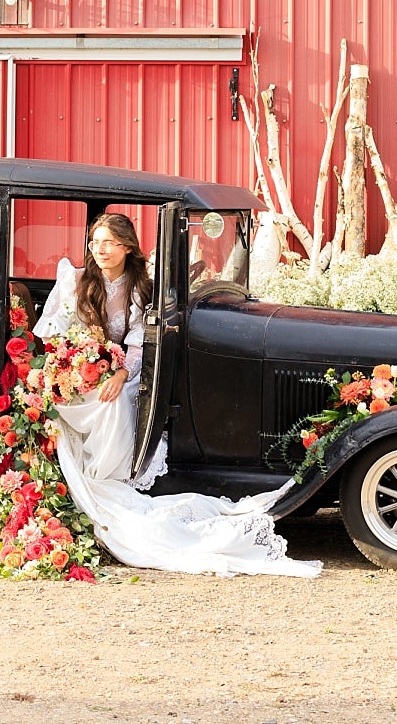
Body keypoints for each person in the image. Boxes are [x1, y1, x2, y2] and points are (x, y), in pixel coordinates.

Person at [35, 213, 321, 578]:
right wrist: (72, 363)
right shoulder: (75, 280)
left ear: (126, 247)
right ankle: (95, 477)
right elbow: (52, 331)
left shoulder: (140, 288)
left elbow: (138, 340)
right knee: (102, 401)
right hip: (75, 370)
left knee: (117, 399)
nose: (99, 249)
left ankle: (110, 476)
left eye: (108, 242)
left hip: (116, 367)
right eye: (95, 242)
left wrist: (120, 371)